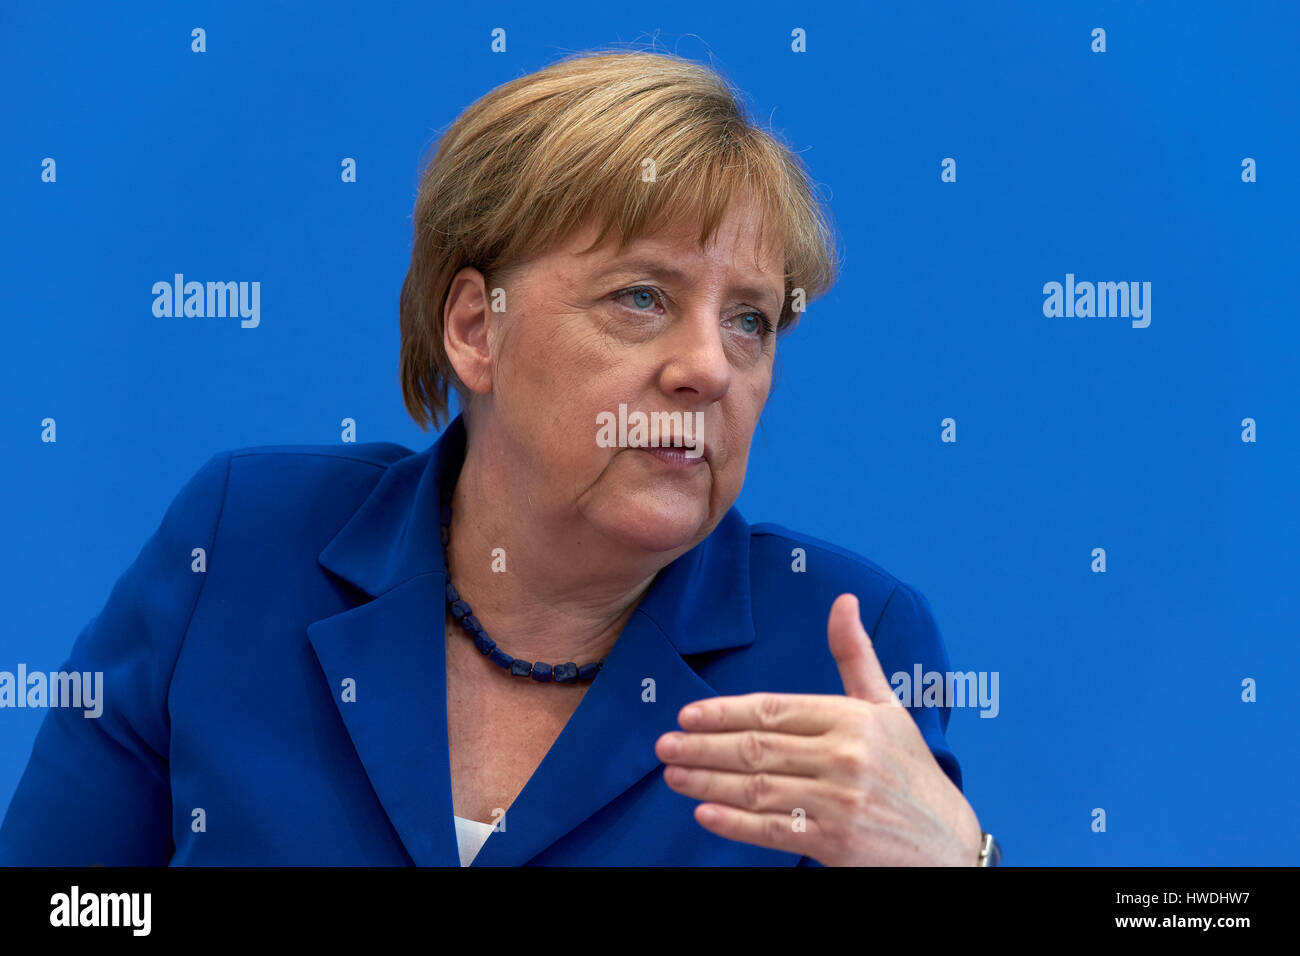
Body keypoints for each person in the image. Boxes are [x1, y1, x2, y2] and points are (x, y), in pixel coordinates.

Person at [0, 49, 993, 866]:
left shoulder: (837, 647)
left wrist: (957, 862)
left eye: (750, 320)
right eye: (640, 296)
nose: (707, 367)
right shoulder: (243, 546)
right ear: (476, 327)